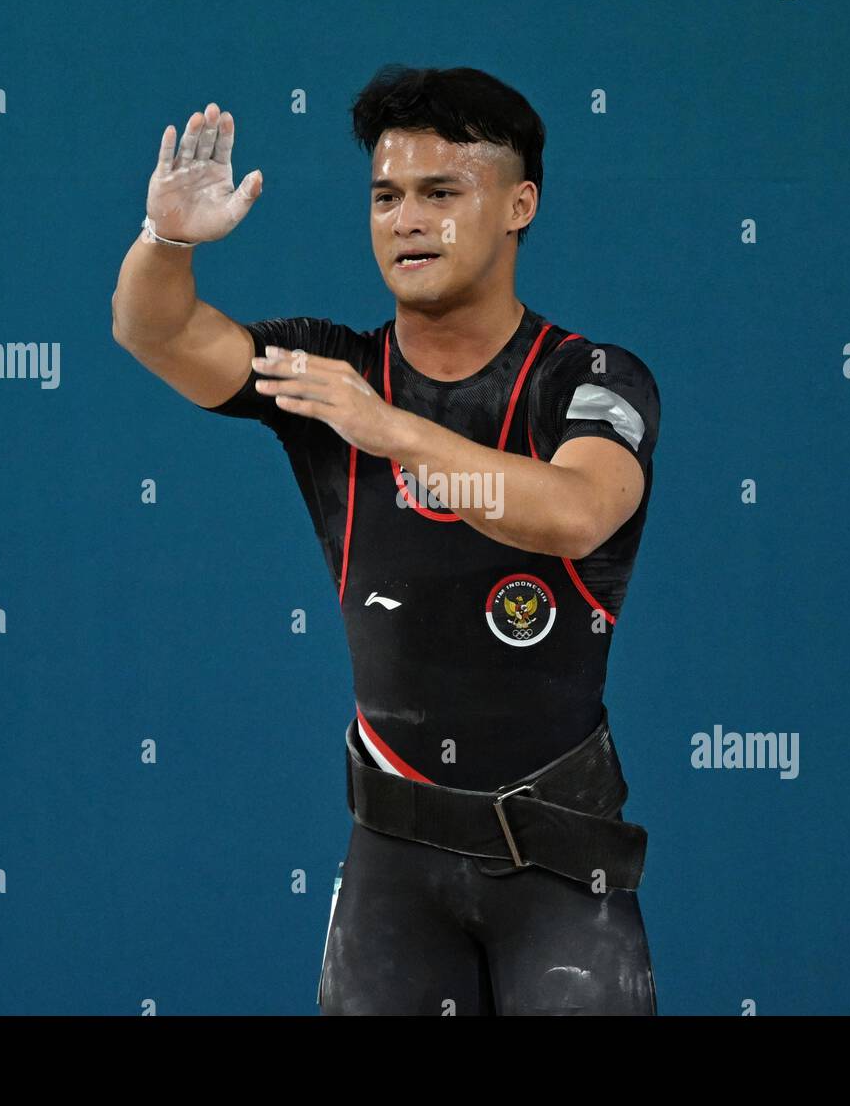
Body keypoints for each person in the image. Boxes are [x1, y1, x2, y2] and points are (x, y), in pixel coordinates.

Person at [111, 65, 661, 1015]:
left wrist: (392, 429)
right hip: (391, 866)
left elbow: (576, 510)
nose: (407, 219)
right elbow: (154, 334)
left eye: (441, 193)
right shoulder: (334, 372)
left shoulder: (591, 376)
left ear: (519, 204)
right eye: (386, 196)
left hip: (562, 864)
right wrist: (165, 243)